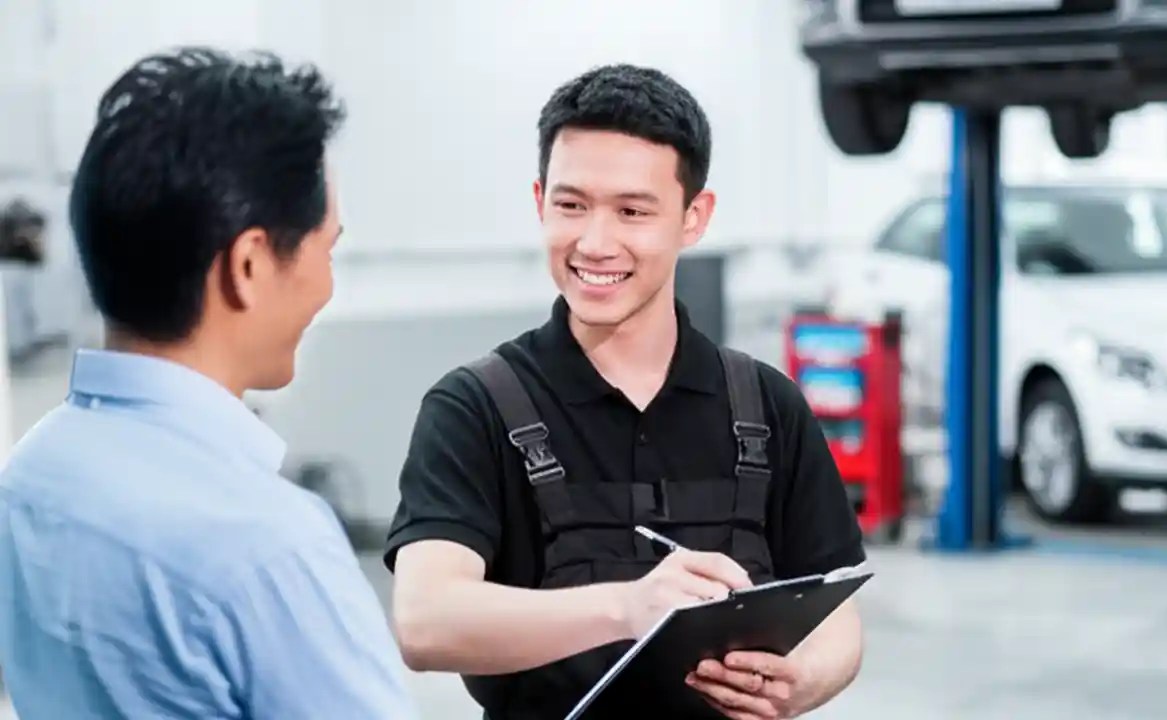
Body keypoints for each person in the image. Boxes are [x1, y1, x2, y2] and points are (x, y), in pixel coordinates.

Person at [385, 63, 867, 719]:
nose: (595, 242)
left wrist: (801, 681)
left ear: (693, 218)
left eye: (633, 211)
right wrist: (629, 607)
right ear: (539, 201)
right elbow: (425, 619)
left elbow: (837, 612)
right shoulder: (474, 407)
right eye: (571, 204)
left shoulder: (766, 406)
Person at [0, 47, 416, 719]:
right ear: (249, 264)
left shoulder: (32, 476)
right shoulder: (268, 548)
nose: (327, 284)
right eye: (327, 249)